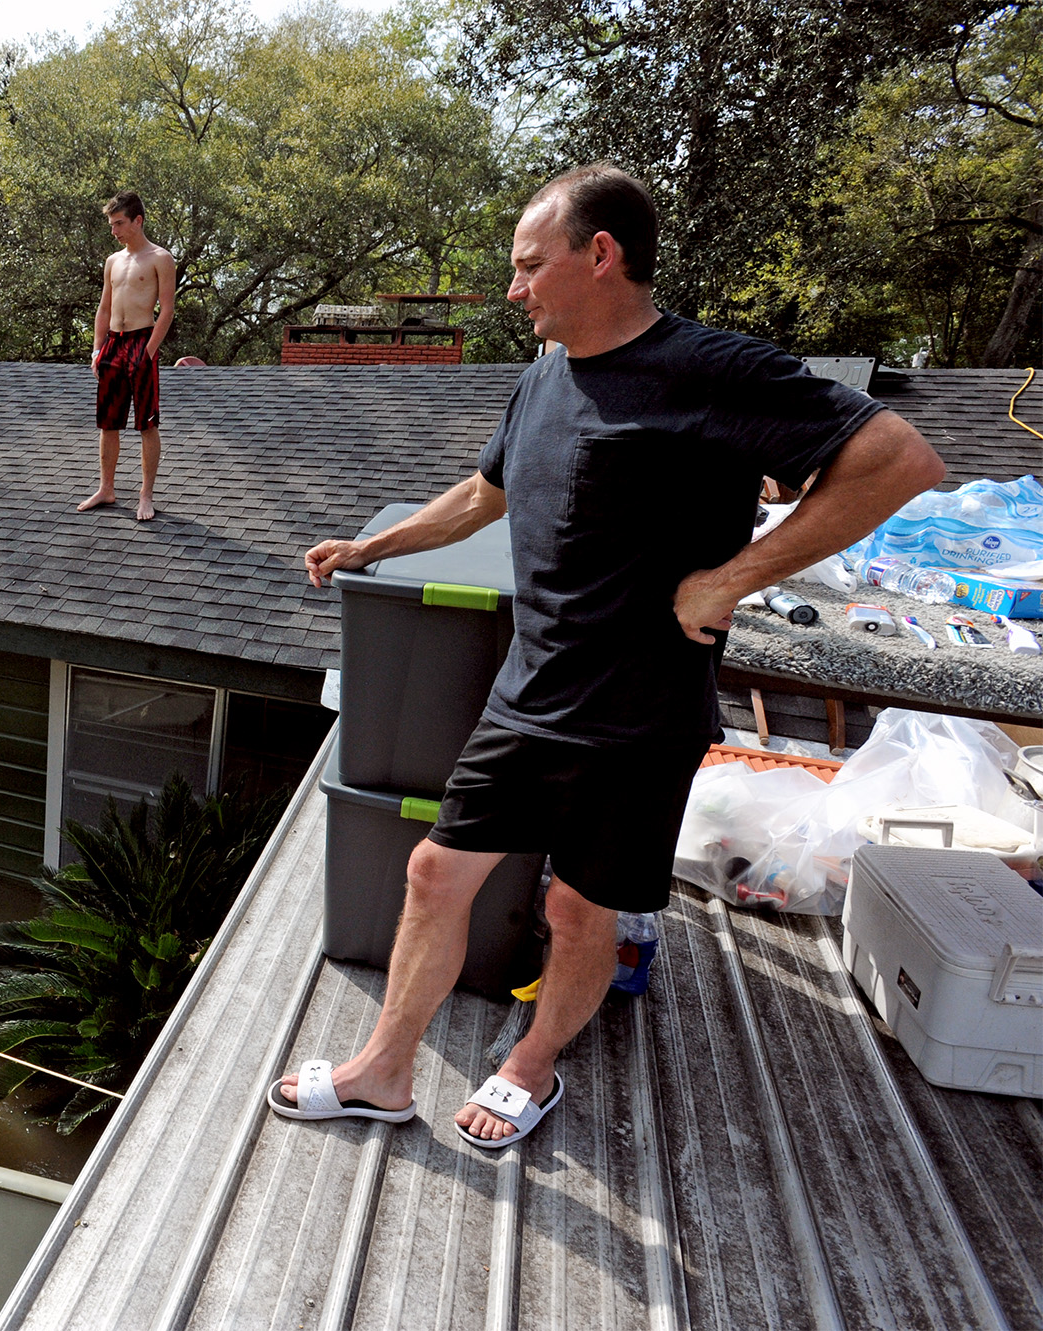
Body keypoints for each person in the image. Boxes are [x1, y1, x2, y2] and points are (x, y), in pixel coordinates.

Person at [281, 163, 946, 1146]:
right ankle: (383, 1069)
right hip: (530, 689)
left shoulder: (709, 369)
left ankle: (530, 1062)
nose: (513, 291)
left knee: (577, 906)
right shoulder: (544, 374)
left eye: (526, 266)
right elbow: (483, 494)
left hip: (639, 710)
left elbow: (898, 459)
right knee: (432, 871)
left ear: (600, 255)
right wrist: (369, 547)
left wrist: (730, 578)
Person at [79, 191, 177, 522]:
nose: (114, 231)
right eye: (111, 225)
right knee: (108, 423)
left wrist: (148, 353)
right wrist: (97, 348)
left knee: (146, 423)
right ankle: (107, 488)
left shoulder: (160, 258)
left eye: (119, 223)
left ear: (138, 220)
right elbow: (104, 307)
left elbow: (167, 311)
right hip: (113, 345)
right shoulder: (113, 261)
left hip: (141, 341)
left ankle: (145, 496)